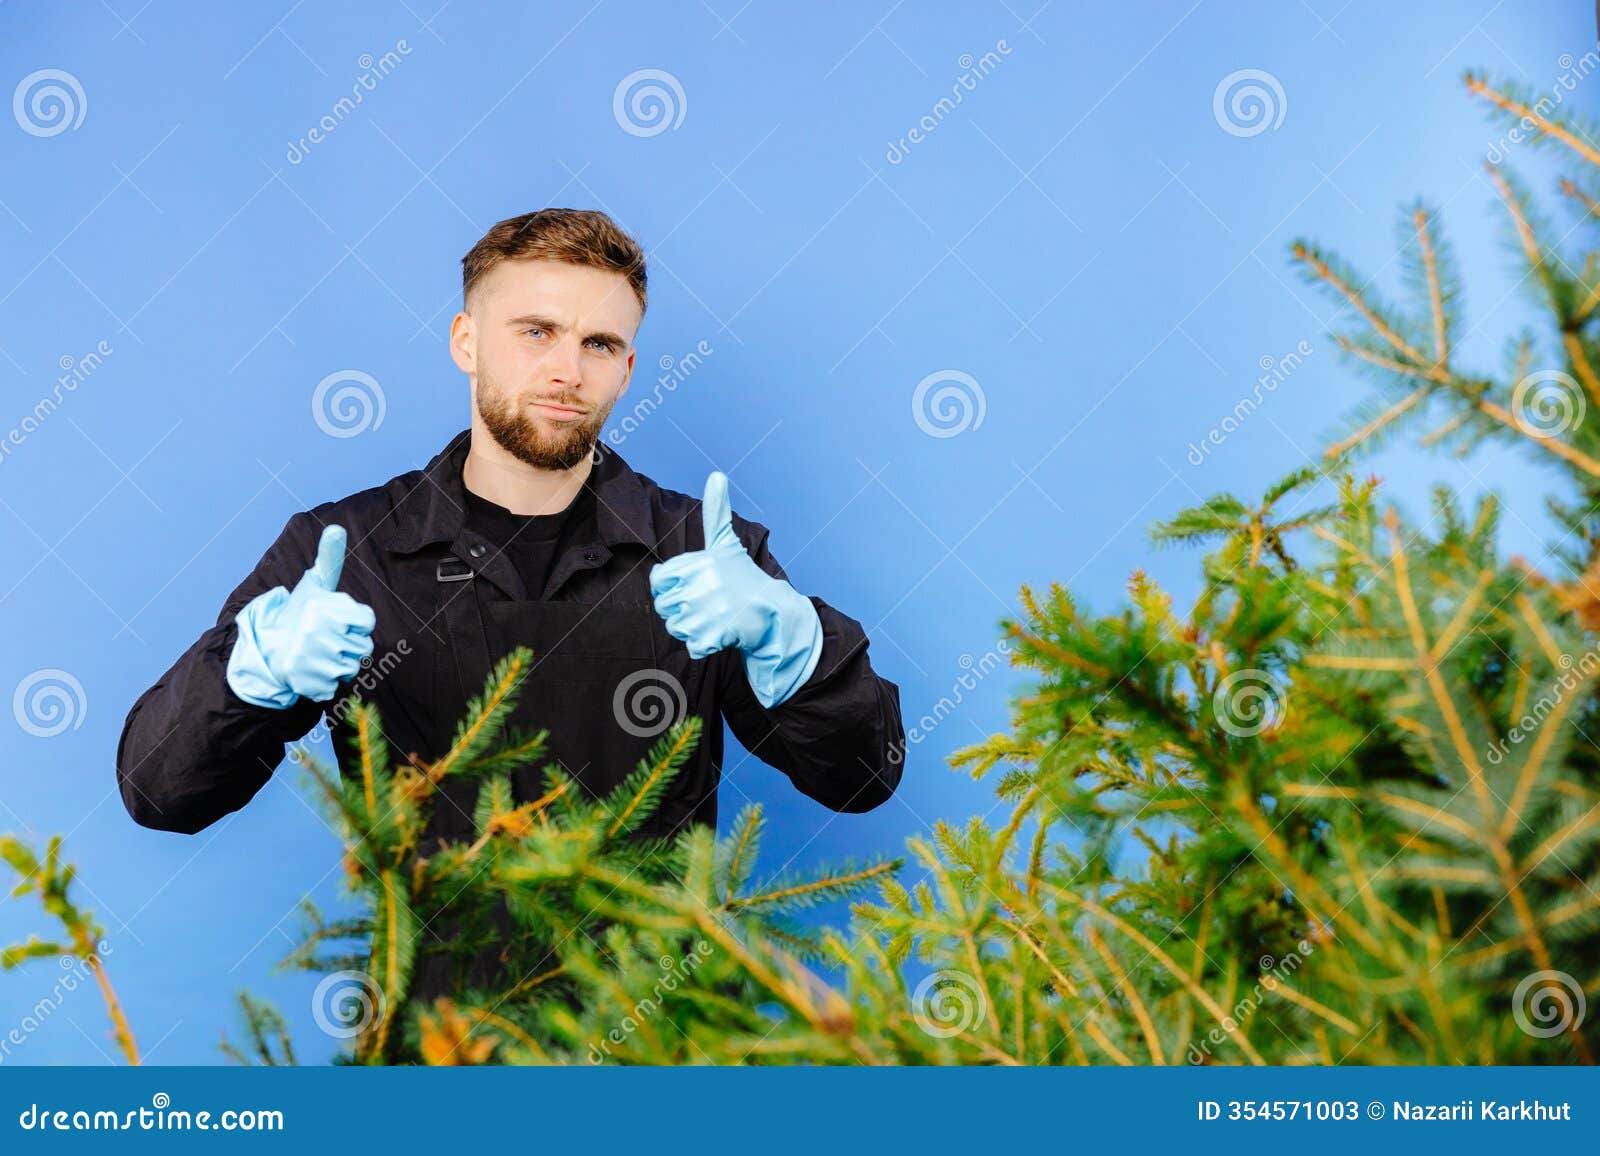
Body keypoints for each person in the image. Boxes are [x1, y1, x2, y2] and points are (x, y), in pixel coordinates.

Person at [115, 208, 905, 854]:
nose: (568, 371)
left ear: (627, 368)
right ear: (466, 342)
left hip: (658, 1030)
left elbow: (863, 779)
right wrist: (248, 675)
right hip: (432, 1038)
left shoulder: (704, 553)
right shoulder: (346, 552)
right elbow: (160, 793)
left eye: (600, 343)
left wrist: (798, 646)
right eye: (536, 331)